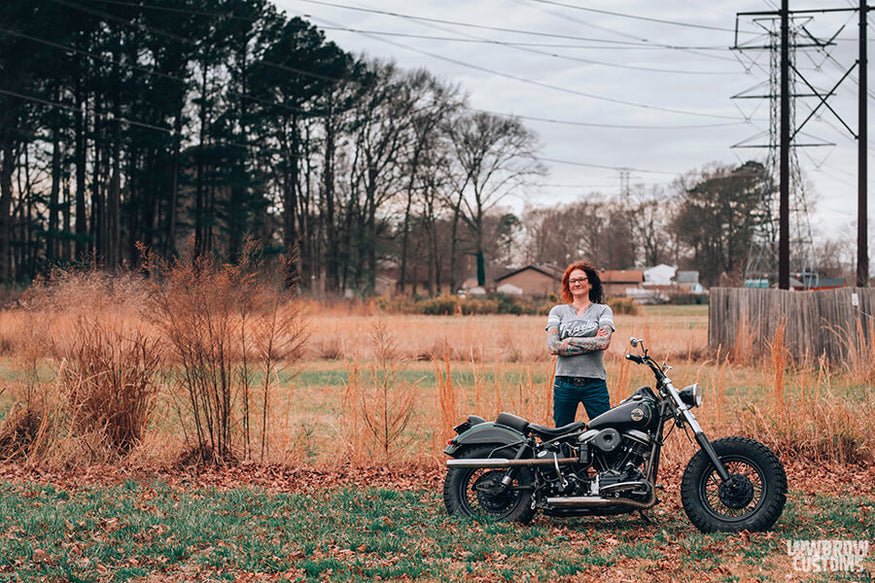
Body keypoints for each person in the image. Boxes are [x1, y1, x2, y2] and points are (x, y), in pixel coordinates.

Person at [546, 261, 614, 427]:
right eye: (572, 280)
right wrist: (590, 344)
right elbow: (553, 346)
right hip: (564, 383)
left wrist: (569, 341)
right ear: (568, 286)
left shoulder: (603, 311)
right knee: (563, 434)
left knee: (606, 432)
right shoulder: (558, 311)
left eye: (581, 279)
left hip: (595, 384)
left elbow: (603, 342)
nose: (577, 283)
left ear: (590, 283)